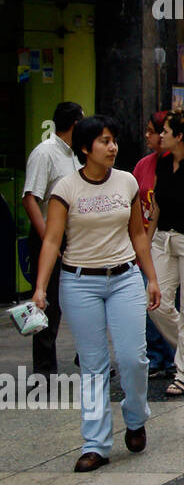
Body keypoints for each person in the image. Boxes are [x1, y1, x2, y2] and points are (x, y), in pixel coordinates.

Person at [32, 114, 162, 472]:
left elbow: (138, 233)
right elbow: (53, 240)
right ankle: (96, 443)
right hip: (79, 282)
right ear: (86, 148)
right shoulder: (65, 189)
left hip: (124, 278)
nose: (113, 147)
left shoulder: (127, 182)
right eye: (104, 141)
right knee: (93, 366)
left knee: (133, 357)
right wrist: (41, 288)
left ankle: (135, 418)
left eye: (114, 140)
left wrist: (151, 278)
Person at [148, 109, 184, 398]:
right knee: (156, 302)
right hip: (162, 239)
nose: (161, 136)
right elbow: (156, 206)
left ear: (179, 137)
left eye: (166, 131)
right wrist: (146, 245)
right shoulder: (162, 163)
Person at [22, 101, 83, 382]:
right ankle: (44, 370)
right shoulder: (44, 153)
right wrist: (49, 238)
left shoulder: (75, 154)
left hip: (75, 236)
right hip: (48, 234)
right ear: (73, 124)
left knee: (82, 298)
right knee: (47, 302)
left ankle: (88, 356)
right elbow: (30, 198)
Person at [134, 111, 174, 379]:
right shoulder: (142, 166)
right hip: (143, 243)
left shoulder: (181, 165)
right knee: (148, 302)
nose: (148, 136)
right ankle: (155, 357)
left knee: (169, 302)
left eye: (152, 131)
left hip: (171, 243)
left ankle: (176, 357)